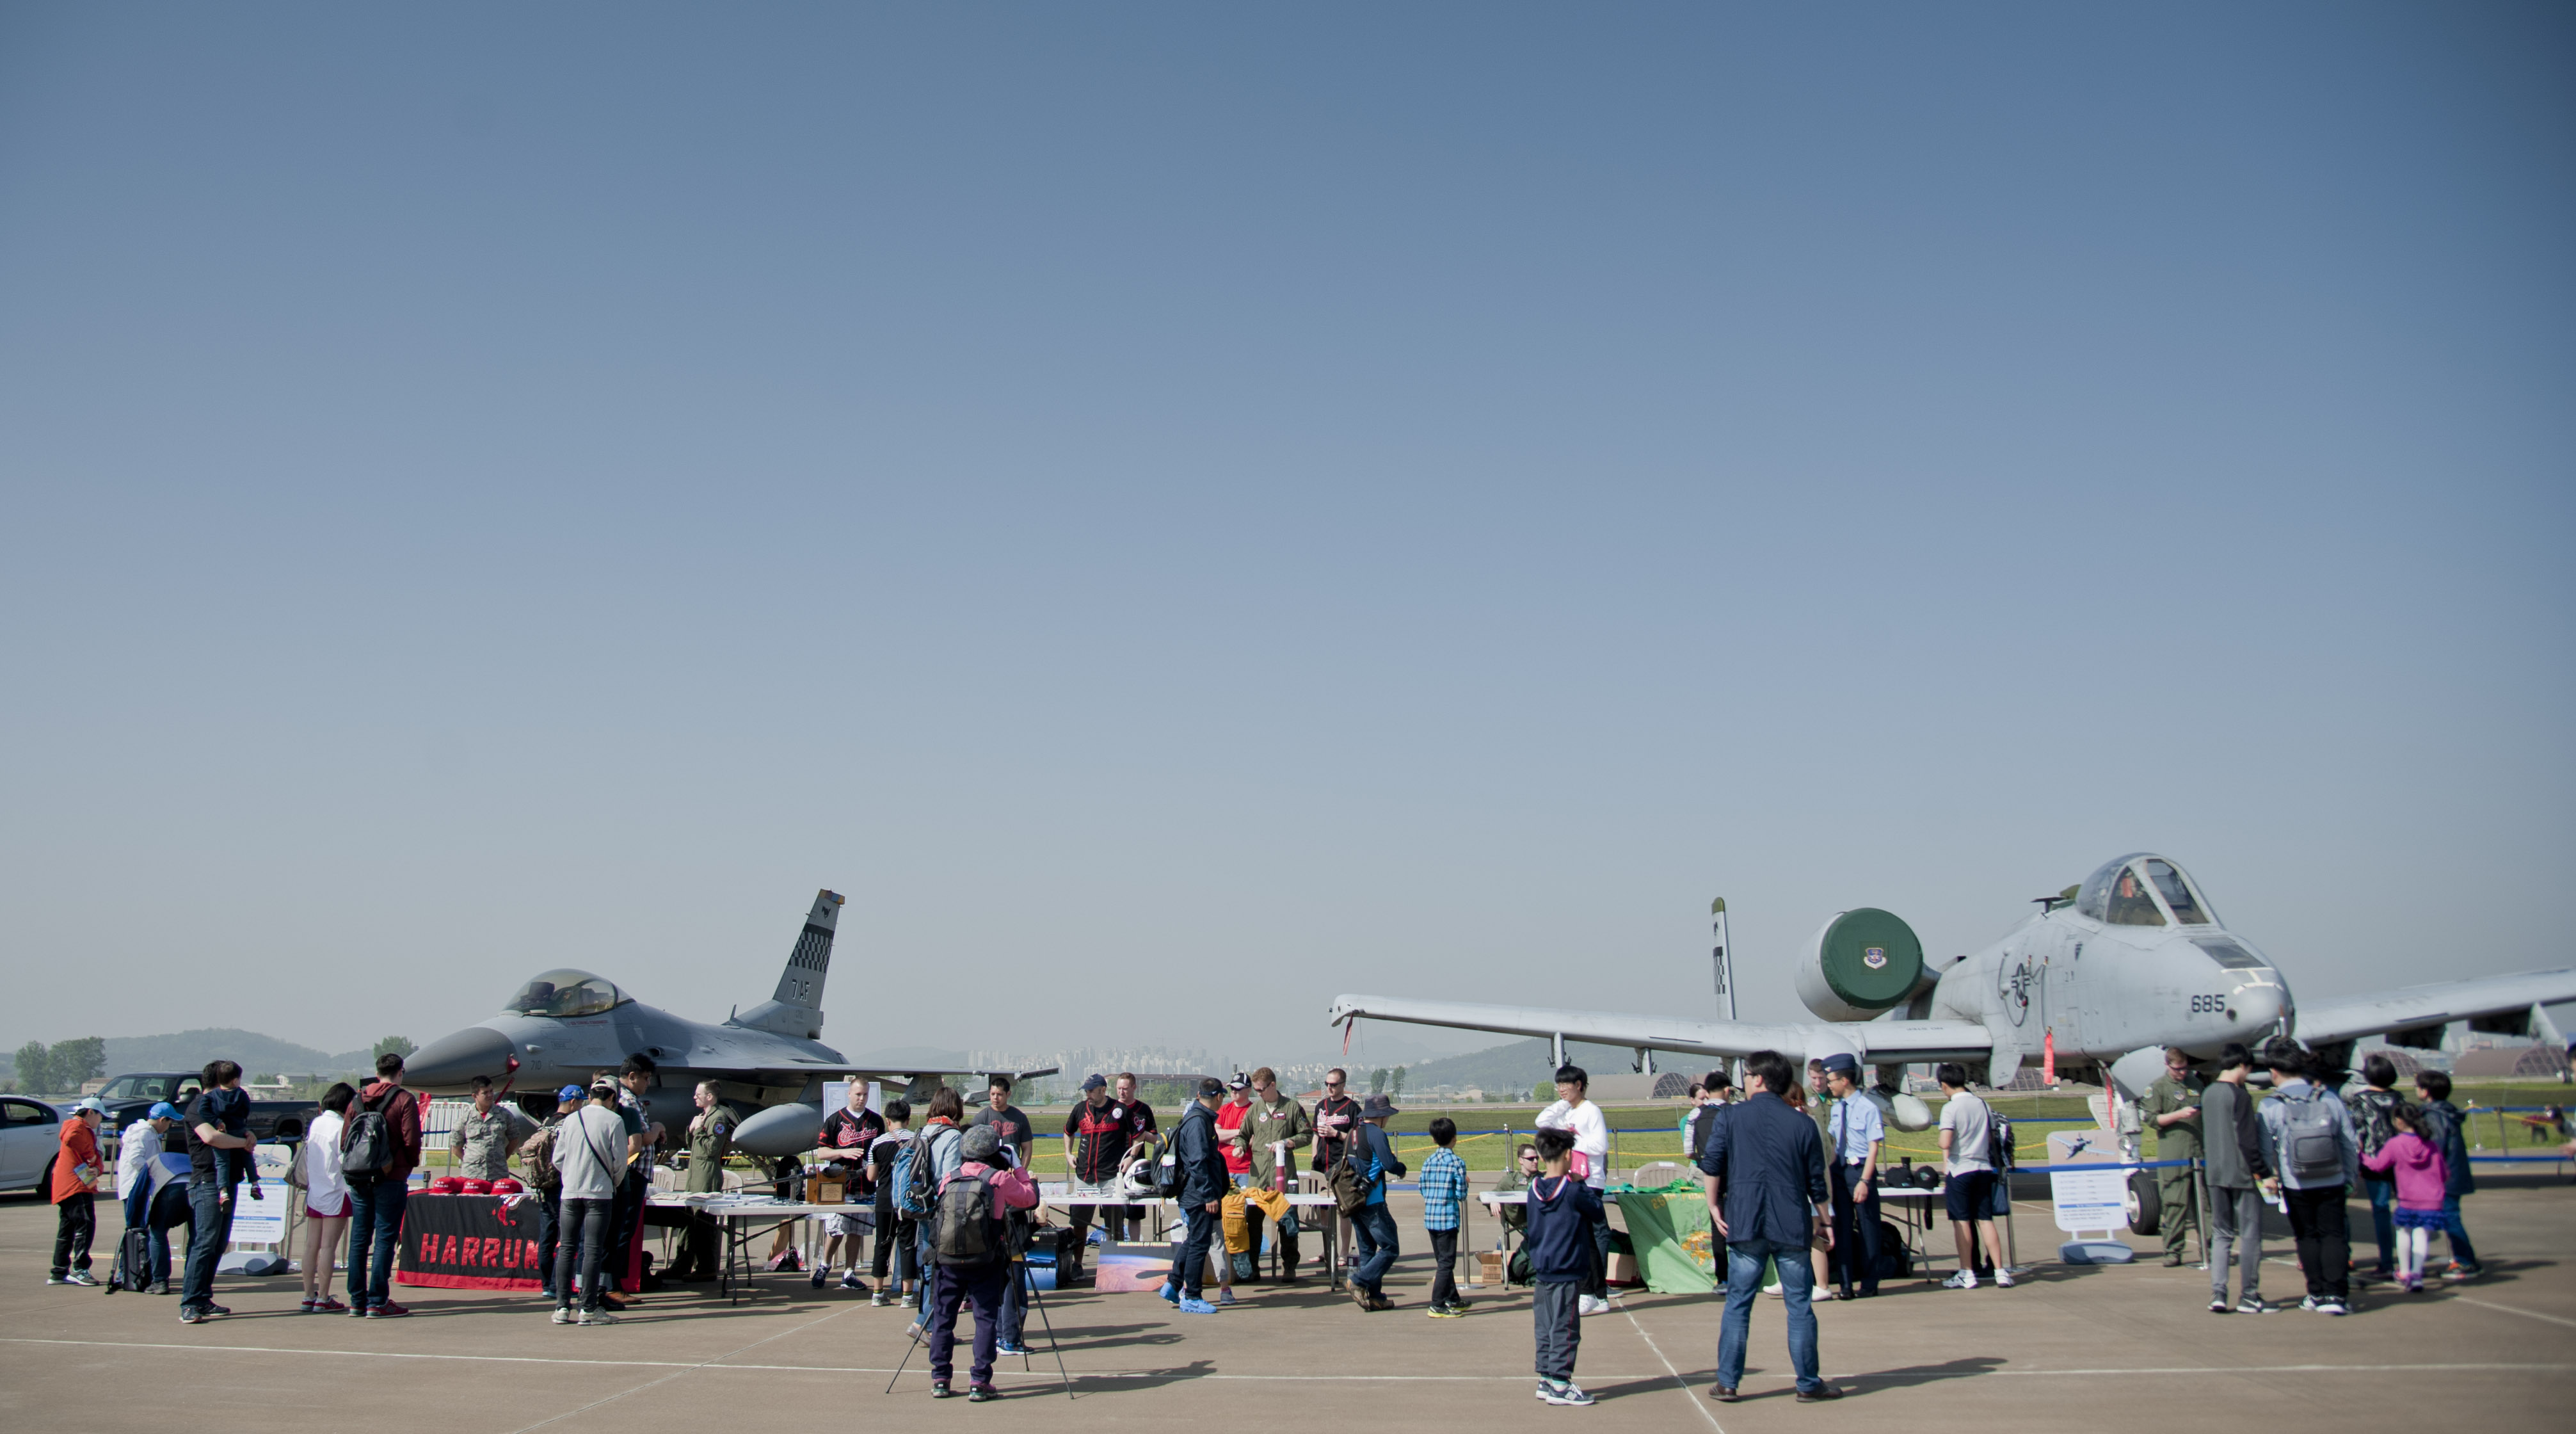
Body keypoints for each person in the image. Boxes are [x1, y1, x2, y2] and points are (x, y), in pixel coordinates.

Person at [1697, 1049, 1839, 1404]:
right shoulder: (1803, 1122)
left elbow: (1712, 1163)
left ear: (1758, 1078)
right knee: (1799, 1305)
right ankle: (1807, 1382)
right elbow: (1816, 1182)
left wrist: (1714, 1204)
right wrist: (1825, 1220)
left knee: (1739, 1304)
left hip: (1745, 1220)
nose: (1743, 1081)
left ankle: (1728, 1382)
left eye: (1747, 1075)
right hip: (1790, 1221)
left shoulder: (1730, 1117)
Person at [923, 1124, 1040, 1401]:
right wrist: (1017, 1167)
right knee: (985, 1318)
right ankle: (980, 1380)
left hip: (948, 1259)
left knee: (943, 1318)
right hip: (985, 1258)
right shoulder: (998, 1178)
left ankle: (940, 1377)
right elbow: (1030, 1198)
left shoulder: (948, 1179)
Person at [2255, 1038, 2359, 1315]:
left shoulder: (2270, 1105)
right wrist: (2350, 1176)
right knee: (2334, 1235)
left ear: (2274, 1072)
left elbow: (2265, 1149)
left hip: (2295, 1181)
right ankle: (2337, 1295)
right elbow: (2349, 1141)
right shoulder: (2328, 1098)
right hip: (2332, 1178)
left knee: (2307, 1236)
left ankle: (2316, 1293)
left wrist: (2270, 1179)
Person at [1525, 1127, 1606, 1406]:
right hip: (1567, 1269)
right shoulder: (1572, 1191)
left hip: (1543, 1268)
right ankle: (1561, 1382)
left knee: (1545, 1325)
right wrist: (1581, 1183)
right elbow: (1597, 1212)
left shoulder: (1533, 1189)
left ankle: (1546, 1376)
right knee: (1566, 1327)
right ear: (1569, 1155)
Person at [340, 1051, 421, 1319]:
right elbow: (412, 1140)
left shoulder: (357, 1099)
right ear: (400, 1073)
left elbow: (346, 1140)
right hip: (392, 1177)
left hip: (360, 1177)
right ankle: (377, 1300)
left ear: (377, 1073)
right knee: (385, 1237)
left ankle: (356, 1300)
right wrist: (405, 1167)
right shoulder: (404, 1099)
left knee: (359, 1238)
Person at [181, 1061, 261, 1323]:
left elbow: (235, 1127)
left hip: (229, 1181)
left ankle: (203, 1298)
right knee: (204, 1243)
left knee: (217, 1244)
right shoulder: (198, 1108)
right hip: (208, 1182)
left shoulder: (223, 1106)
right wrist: (244, 1143)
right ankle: (190, 1302)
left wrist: (246, 1133)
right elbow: (212, 1138)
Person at [552, 1083, 632, 1325]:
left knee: (567, 1248)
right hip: (599, 1193)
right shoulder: (614, 1120)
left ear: (589, 1097)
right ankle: (588, 1307)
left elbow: (558, 1158)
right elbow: (621, 1160)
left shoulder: (572, 1119)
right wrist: (612, 1183)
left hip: (571, 1191)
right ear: (611, 1099)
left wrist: (571, 1176)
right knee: (593, 1250)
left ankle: (562, 1307)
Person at [1535, 1065, 1613, 1315]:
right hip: (1574, 1179)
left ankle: (1589, 1293)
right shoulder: (1569, 1110)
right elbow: (1542, 1121)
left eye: (1566, 1085)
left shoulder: (1591, 1111)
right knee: (1585, 1238)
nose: (1561, 1089)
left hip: (1590, 1180)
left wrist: (1571, 1139)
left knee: (1586, 1239)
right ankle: (1599, 1296)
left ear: (1580, 1085)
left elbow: (1601, 1145)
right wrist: (1562, 1104)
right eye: (1558, 1085)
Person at [2200, 1043, 2270, 1314]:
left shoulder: (2208, 1093)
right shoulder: (2239, 1096)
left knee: (2221, 1234)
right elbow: (2248, 1142)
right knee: (2250, 1235)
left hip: (2215, 1173)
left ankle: (2218, 1292)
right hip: (2241, 1173)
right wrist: (2264, 1173)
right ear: (2243, 1066)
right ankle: (2249, 1294)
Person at [971, 1077, 1037, 1351]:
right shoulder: (982, 1117)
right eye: (992, 1093)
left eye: (999, 1094)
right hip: (992, 1197)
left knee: (1015, 1275)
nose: (995, 1098)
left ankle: (1007, 1333)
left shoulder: (1019, 1118)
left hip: (1012, 1193)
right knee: (1009, 1276)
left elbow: (1028, 1146)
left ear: (1008, 1094)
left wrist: (1019, 1170)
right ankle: (1006, 1334)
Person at [1935, 1063, 2008, 1289]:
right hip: (1983, 1167)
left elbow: (1945, 1142)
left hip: (1961, 1169)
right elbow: (1989, 1138)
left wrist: (1942, 1141)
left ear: (1945, 1085)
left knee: (1962, 1221)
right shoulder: (1982, 1104)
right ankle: (2000, 1271)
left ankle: (1967, 1271)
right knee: (1985, 1220)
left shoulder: (1950, 1108)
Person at [601, 1054, 666, 1307]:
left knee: (621, 1232)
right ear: (631, 1077)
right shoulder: (627, 1102)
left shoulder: (628, 1100)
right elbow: (638, 1140)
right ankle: (613, 1285)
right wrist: (657, 1128)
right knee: (621, 1232)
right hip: (631, 1174)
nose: (648, 1083)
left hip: (632, 1174)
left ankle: (612, 1284)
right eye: (646, 1078)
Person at [2361, 1101, 2447, 1293]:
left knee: (2403, 1232)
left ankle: (2405, 1272)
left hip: (2408, 1198)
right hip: (2431, 1198)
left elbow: (2377, 1166)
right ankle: (2417, 1274)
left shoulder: (2396, 1143)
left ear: (2399, 1121)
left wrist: (2361, 1156)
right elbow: (2444, 1172)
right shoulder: (2430, 1145)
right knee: (2422, 1234)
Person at [1160, 1077, 1229, 1315]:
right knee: (1200, 1244)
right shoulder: (1200, 1122)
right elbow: (1198, 1162)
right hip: (1198, 1194)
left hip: (1193, 1192)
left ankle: (1173, 1284)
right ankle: (1192, 1296)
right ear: (1219, 1097)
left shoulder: (1195, 1117)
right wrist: (1209, 1195)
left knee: (1193, 1240)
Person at [1818, 1055, 1883, 1299]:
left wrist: (1865, 1181)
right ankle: (1845, 1285)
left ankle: (1869, 1282)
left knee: (1868, 1227)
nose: (1829, 1085)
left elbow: (1874, 1147)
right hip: (1840, 1169)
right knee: (1842, 1227)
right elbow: (1836, 1143)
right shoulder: (1837, 1109)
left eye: (1831, 1080)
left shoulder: (1868, 1108)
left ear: (1845, 1080)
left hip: (1860, 1169)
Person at [1240, 1067, 1313, 1282]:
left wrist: (1289, 1142)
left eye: (1262, 1089)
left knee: (1287, 1224)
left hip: (1283, 1176)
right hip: (1258, 1177)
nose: (1258, 1093)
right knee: (1252, 1225)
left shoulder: (1292, 1108)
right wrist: (1240, 1146)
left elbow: (1307, 1134)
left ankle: (1289, 1266)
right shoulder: (1255, 1110)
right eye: (1256, 1090)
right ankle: (1253, 1268)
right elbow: (1243, 1134)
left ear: (1273, 1085)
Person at [2412, 1069, 2483, 1281]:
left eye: (2419, 1087)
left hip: (2445, 1177)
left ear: (2426, 1092)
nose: (2416, 1090)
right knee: (2449, 1217)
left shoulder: (2433, 1116)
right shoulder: (2447, 1112)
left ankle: (2466, 1261)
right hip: (2453, 1174)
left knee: (2451, 1218)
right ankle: (2460, 1257)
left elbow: (2436, 1148)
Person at [812, 1083, 882, 1291]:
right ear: (849, 1094)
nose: (861, 1098)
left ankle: (849, 1273)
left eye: (865, 1095)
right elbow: (822, 1153)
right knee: (836, 1229)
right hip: (839, 1185)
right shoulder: (835, 1120)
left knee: (857, 1230)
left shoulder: (875, 1121)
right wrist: (843, 1152)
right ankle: (825, 1265)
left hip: (865, 1185)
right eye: (858, 1094)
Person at [2140, 1047, 2205, 1266]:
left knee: (2205, 1204)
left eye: (2185, 1069)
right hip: (2173, 1150)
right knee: (2174, 1202)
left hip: (2198, 1148)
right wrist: (2179, 1115)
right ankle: (2173, 1251)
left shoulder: (2196, 1084)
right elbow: (2151, 1119)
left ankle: (2210, 1250)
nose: (2182, 1073)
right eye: (2178, 1070)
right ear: (2168, 1066)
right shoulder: (2158, 1087)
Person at [2344, 1053, 2407, 1280]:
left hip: (2374, 1162)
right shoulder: (2399, 1098)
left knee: (2380, 1211)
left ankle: (2387, 1262)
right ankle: (2408, 1260)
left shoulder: (2360, 1100)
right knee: (2405, 1210)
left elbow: (2357, 1133)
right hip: (2401, 1160)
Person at [1060, 1075, 1131, 1273]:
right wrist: (1068, 1153)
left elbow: (1137, 1133)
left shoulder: (1120, 1110)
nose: (1088, 1094)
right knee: (1079, 1222)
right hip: (1084, 1176)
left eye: (1091, 1090)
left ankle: (1115, 1266)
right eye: (1086, 1091)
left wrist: (1131, 1157)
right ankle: (1077, 1264)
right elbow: (1068, 1131)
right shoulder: (1080, 1109)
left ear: (1102, 1090)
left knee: (1115, 1223)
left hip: (1110, 1177)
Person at [522, 1086, 584, 1300]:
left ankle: (547, 1284)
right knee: (566, 1237)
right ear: (574, 1102)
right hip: (560, 1185)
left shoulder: (546, 1122)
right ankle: (560, 1285)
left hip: (542, 1185)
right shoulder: (570, 1124)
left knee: (547, 1236)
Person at [1345, 1093, 1407, 1312]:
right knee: (1390, 1247)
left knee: (1368, 1251)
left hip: (1354, 1201)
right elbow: (1389, 1163)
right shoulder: (1377, 1134)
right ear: (1381, 1117)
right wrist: (1402, 1170)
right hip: (1373, 1200)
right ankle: (1359, 1281)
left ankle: (1376, 1297)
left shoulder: (1352, 1133)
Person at [298, 1084, 355, 1312]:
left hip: (315, 1190)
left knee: (311, 1245)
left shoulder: (317, 1122)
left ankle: (307, 1295)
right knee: (329, 1246)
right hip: (336, 1191)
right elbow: (345, 1160)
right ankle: (323, 1297)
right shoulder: (342, 1126)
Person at [115, 1101, 182, 1296]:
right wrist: (154, 1170)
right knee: (137, 1231)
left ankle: (136, 1272)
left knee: (140, 1231)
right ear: (163, 1120)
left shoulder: (148, 1132)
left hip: (141, 1188)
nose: (170, 1126)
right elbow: (135, 1159)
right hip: (136, 1189)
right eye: (170, 1122)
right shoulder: (143, 1133)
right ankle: (125, 1272)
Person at [911, 1088, 969, 1309]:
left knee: (928, 1262)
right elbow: (950, 1176)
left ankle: (925, 1317)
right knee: (940, 1265)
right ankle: (925, 1320)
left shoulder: (924, 1131)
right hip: (939, 1207)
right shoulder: (952, 1135)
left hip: (920, 1201)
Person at [1777, 1079, 1831, 1300]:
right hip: (1805, 1185)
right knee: (1799, 1236)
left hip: (1805, 1186)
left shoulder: (1801, 1120)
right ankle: (1790, 1280)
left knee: (1814, 1237)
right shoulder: (1807, 1119)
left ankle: (1822, 1285)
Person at [679, 1081, 737, 1285]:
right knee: (690, 1221)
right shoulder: (704, 1117)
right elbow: (693, 1145)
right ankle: (683, 1264)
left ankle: (706, 1267)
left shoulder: (718, 1118)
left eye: (699, 1094)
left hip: (706, 1175)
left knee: (703, 1222)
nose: (695, 1097)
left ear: (710, 1096)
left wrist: (699, 1130)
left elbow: (713, 1148)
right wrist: (692, 1129)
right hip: (695, 1174)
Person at [49, 1097, 108, 1287]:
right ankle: (80, 1269)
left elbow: (96, 1156)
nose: (101, 1121)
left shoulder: (85, 1129)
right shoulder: (77, 1126)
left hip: (77, 1182)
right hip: (74, 1184)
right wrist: (90, 1156)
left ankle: (59, 1271)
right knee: (86, 1223)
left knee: (68, 1226)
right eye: (100, 1116)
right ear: (91, 1112)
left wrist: (96, 1166)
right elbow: (72, 1138)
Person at [1311, 1067, 1364, 1273]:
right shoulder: (1321, 1107)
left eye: (1333, 1085)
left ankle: (1343, 1250)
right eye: (1327, 1085)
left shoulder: (1352, 1108)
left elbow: (1357, 1139)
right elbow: (1316, 1134)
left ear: (1343, 1085)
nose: (1330, 1088)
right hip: (1322, 1165)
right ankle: (1327, 1247)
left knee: (1343, 1211)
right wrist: (1314, 1155)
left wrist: (1336, 1133)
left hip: (1342, 1165)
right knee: (1323, 1210)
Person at [868, 1099, 918, 1308]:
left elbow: (872, 1176)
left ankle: (878, 1292)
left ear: (887, 1121)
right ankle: (908, 1295)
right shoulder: (918, 1140)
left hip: (884, 1200)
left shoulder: (878, 1143)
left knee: (882, 1244)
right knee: (907, 1245)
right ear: (908, 1120)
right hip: (907, 1201)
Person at [1421, 1116, 1469, 1317]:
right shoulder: (1457, 1162)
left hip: (1431, 1217)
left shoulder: (1428, 1161)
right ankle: (1437, 1303)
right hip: (1448, 1218)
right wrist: (1465, 1183)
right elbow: (1461, 1194)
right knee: (1447, 1263)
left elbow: (1422, 1188)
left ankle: (1453, 1297)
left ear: (1433, 1139)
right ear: (1454, 1138)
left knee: (1442, 1260)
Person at [1212, 1075, 1255, 1304]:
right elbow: (1216, 1135)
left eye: (1239, 1089)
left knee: (1242, 1220)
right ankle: (1229, 1267)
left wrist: (1234, 1136)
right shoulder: (1225, 1110)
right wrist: (1238, 1133)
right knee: (1225, 1220)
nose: (1234, 1093)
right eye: (1232, 1089)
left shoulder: (1253, 1111)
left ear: (1248, 1090)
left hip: (1246, 1170)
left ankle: (1244, 1266)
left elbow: (1252, 1139)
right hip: (1225, 1170)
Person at [450, 1076, 537, 1184]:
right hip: (472, 1176)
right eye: (485, 1093)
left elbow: (514, 1139)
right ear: (475, 1096)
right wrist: (470, 1161)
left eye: (491, 1091)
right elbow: (456, 1148)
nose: (490, 1095)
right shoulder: (465, 1119)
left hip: (498, 1174)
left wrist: (502, 1159)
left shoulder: (504, 1115)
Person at [1112, 1073, 1158, 1240]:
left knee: (1134, 1213)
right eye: (1118, 1089)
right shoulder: (1112, 1108)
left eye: (1125, 1089)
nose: (1121, 1092)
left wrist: (1139, 1132)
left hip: (1136, 1169)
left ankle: (1134, 1244)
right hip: (1114, 1165)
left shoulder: (1143, 1110)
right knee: (1113, 1213)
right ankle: (1114, 1246)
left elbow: (1156, 1139)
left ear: (1133, 1088)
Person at [1682, 1071, 1733, 1166]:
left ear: (1707, 1092)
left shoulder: (1695, 1113)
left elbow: (1688, 1152)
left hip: (1705, 1169)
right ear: (1726, 1090)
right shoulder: (1734, 1111)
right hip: (1731, 1170)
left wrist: (1701, 1159)